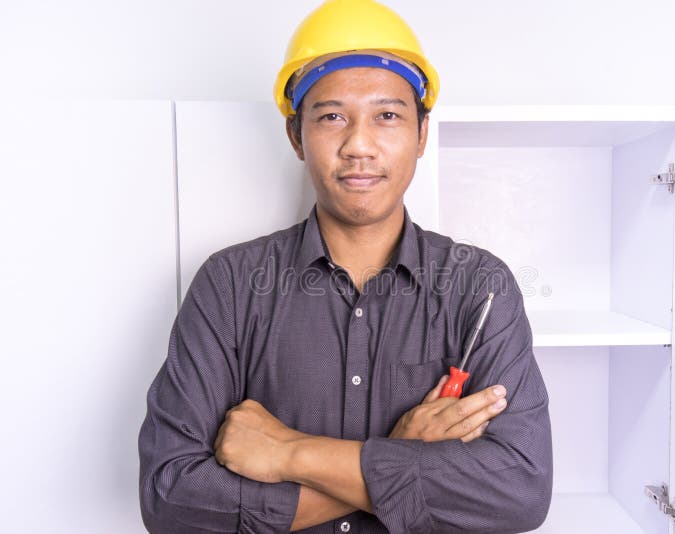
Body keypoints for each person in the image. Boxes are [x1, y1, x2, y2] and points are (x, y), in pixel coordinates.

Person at [137, 0, 553, 532]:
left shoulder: (479, 287)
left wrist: (292, 454)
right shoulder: (230, 284)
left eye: (388, 116)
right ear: (296, 136)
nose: (359, 145)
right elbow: (170, 498)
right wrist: (402, 455)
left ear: (421, 135)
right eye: (332, 116)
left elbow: (519, 490)